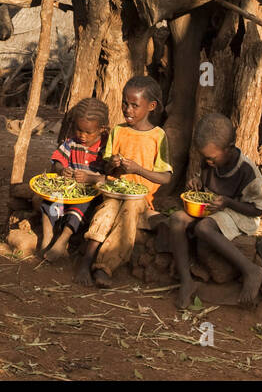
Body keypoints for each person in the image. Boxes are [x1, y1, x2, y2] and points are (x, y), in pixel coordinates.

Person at [76, 76, 171, 287]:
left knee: (130, 210)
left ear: (151, 106)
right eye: (125, 103)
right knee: (107, 210)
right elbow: (108, 168)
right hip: (114, 191)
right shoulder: (118, 131)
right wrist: (114, 164)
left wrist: (139, 170)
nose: (128, 110)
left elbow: (166, 177)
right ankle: (86, 262)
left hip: (141, 198)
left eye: (135, 105)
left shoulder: (158, 136)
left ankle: (104, 266)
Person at [169, 113, 262, 309]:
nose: (209, 163)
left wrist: (228, 202)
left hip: (241, 214)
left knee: (203, 228)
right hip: (214, 209)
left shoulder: (246, 170)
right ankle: (186, 281)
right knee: (176, 219)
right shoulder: (209, 160)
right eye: (205, 158)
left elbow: (257, 210)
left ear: (229, 148)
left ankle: (251, 270)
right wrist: (197, 182)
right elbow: (206, 182)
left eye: (212, 158)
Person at [36, 98, 109, 261]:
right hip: (66, 192)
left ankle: (63, 239)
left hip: (89, 196)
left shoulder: (105, 148)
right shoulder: (71, 143)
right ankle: (47, 237)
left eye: (88, 132)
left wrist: (90, 178)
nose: (82, 136)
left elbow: (108, 178)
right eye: (79, 130)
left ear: (102, 129)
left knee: (81, 207)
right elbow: (57, 162)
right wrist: (62, 170)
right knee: (50, 200)